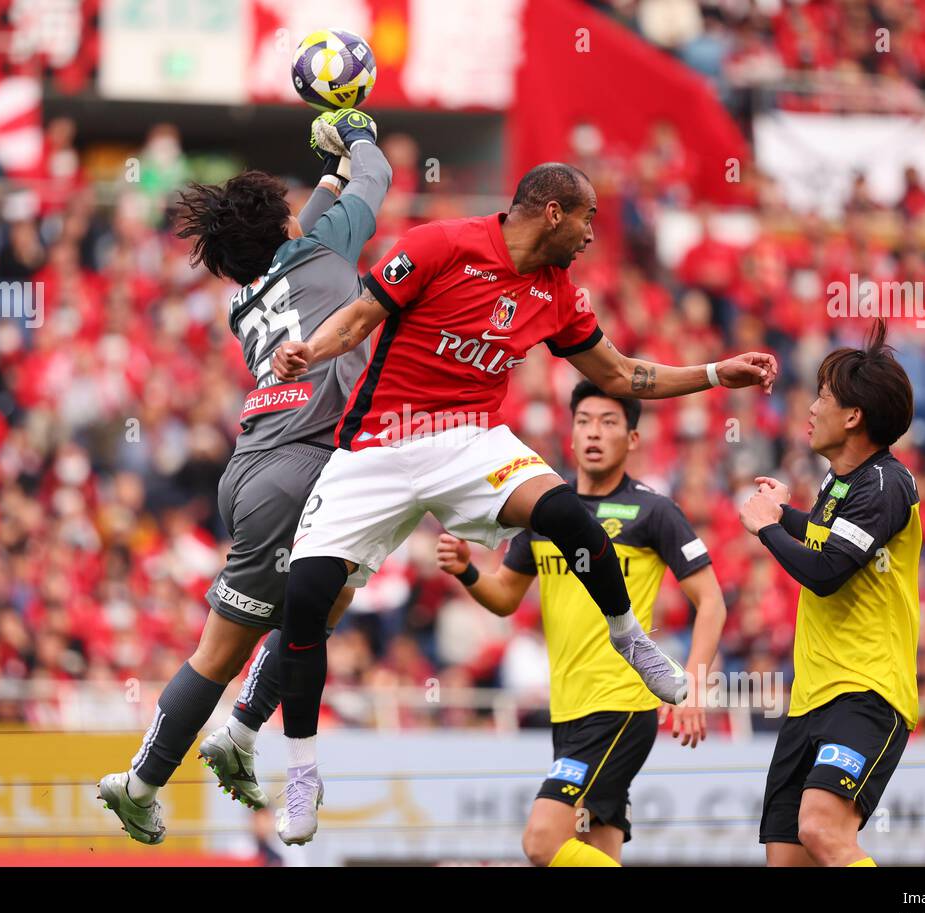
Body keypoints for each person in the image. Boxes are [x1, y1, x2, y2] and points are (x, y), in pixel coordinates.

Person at [267, 161, 778, 844]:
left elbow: (623, 374)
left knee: (564, 510)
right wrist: (307, 350)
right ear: (554, 213)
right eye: (589, 218)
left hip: (468, 438)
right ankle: (301, 770)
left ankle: (629, 637)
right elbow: (358, 320)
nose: (594, 235)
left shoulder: (558, 293)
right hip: (379, 444)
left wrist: (717, 374)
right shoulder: (440, 244)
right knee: (304, 600)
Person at [96, 109, 392, 843]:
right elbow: (378, 175)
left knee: (324, 603)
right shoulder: (325, 254)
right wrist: (356, 133)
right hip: (305, 466)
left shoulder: (245, 294)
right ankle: (145, 778)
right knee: (232, 648)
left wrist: (328, 164)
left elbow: (309, 217)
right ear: (287, 229)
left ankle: (226, 736)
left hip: (258, 466)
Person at [738, 317, 919, 867]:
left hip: (865, 693)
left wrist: (766, 527)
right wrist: (786, 514)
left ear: (854, 415)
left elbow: (827, 570)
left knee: (821, 829)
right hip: (809, 700)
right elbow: (828, 542)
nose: (811, 409)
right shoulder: (838, 481)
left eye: (822, 397)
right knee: (786, 858)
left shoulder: (886, 484)